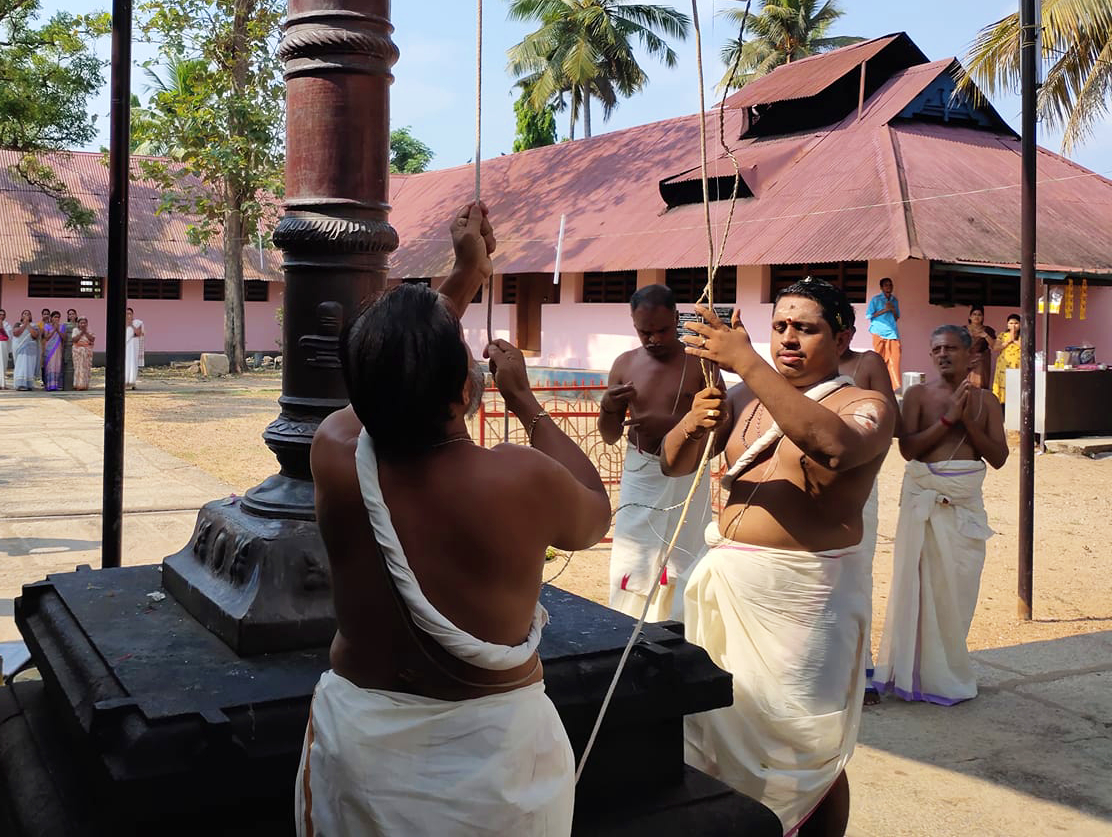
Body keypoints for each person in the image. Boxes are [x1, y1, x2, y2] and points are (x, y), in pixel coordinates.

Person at [295, 203, 609, 836]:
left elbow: (391, 372)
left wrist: (465, 278)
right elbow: (593, 515)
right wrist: (526, 403)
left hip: (364, 748)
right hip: (494, 761)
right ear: (467, 391)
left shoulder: (332, 449)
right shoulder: (522, 479)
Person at [668, 279, 895, 836]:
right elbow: (675, 462)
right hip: (731, 587)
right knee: (719, 730)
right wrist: (694, 422)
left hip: (805, 599)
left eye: (806, 328)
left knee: (804, 750)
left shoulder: (867, 405)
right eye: (780, 327)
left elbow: (834, 447)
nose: (789, 338)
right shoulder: (745, 396)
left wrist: (745, 361)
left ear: (843, 338)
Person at [873, 325, 1007, 706]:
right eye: (936, 349)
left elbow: (998, 457)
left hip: (963, 507)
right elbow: (909, 450)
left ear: (970, 355)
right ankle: (916, 675)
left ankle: (946, 668)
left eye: (950, 348)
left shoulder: (987, 402)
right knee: (920, 590)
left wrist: (968, 422)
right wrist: (947, 420)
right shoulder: (916, 395)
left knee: (957, 592)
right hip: (925, 501)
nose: (943, 354)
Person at [598, 283, 711, 621]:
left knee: (687, 554)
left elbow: (719, 420)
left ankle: (681, 631)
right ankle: (627, 628)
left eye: (662, 330)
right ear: (634, 324)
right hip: (641, 471)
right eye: (644, 331)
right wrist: (606, 408)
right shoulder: (624, 365)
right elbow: (608, 436)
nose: (654, 339)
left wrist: (681, 428)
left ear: (676, 318)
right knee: (633, 559)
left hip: (689, 473)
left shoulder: (700, 363)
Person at [840, 326, 900, 702]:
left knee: (856, 575)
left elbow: (890, 422)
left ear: (843, 331)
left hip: (857, 487)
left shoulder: (867, 363)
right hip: (808, 486)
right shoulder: (797, 368)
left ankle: (860, 670)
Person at [865, 276, 901, 387]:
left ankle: (896, 388)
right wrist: (885, 310)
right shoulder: (875, 300)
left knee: (895, 360)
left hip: (892, 333)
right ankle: (877, 385)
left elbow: (896, 317)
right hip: (879, 332)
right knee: (879, 359)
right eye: (886, 285)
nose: (889, 287)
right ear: (881, 287)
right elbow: (869, 315)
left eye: (890, 285)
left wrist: (892, 309)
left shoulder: (894, 300)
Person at [992, 313, 1023, 404]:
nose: (1013, 325)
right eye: (1011, 323)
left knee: (1015, 385)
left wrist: (1014, 339)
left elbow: (1025, 348)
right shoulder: (1002, 335)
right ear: (1007, 325)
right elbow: (996, 348)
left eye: (1016, 323)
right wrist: (1009, 341)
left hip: (1017, 364)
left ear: (1020, 325)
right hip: (1003, 365)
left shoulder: (1023, 335)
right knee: (1003, 385)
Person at [966, 304, 997, 389]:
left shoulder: (988, 330)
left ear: (983, 317)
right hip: (965, 361)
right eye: (974, 314)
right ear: (970, 317)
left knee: (979, 385)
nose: (977, 316)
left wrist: (986, 336)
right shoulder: (963, 330)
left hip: (981, 362)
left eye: (979, 314)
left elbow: (994, 346)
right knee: (965, 385)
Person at [10, 310, 38, 391]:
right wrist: (25, 324)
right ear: (21, 316)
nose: (26, 315)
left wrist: (28, 324)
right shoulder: (17, 324)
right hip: (21, 349)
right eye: (24, 314)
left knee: (29, 366)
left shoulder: (34, 325)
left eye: (28, 314)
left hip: (31, 350)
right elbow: (16, 333)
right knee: (21, 366)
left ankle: (28, 384)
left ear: (31, 317)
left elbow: (35, 335)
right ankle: (20, 384)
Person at [42, 311, 66, 391]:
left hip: (58, 349)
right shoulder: (47, 326)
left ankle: (57, 385)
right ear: (51, 318)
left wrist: (58, 330)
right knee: (50, 366)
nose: (57, 318)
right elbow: (46, 337)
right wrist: (54, 329)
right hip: (49, 349)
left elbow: (64, 338)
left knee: (57, 366)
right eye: (55, 317)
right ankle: (49, 385)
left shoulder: (62, 326)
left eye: (58, 317)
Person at [72, 318, 95, 390]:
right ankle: (78, 385)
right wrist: (81, 333)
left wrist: (86, 332)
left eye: (84, 323)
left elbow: (92, 339)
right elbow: (74, 340)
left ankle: (85, 385)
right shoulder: (75, 330)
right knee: (78, 368)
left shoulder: (89, 330)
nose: (83, 324)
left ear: (87, 324)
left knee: (86, 369)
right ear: (78, 324)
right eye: (81, 323)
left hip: (87, 352)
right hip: (78, 352)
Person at [125, 307, 144, 389]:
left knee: (133, 362)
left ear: (132, 314)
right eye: (126, 314)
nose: (128, 315)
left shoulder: (137, 323)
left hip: (133, 345)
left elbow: (138, 333)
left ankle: (132, 382)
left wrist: (131, 325)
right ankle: (124, 382)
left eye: (129, 313)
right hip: (125, 346)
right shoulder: (120, 322)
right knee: (125, 363)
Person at [62, 306, 79, 389]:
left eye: (73, 314)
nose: (71, 315)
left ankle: (77, 383)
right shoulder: (65, 324)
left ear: (76, 315)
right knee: (67, 363)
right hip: (68, 345)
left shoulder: (79, 324)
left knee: (76, 365)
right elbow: (63, 335)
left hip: (78, 346)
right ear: (68, 316)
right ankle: (67, 384)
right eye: (70, 314)